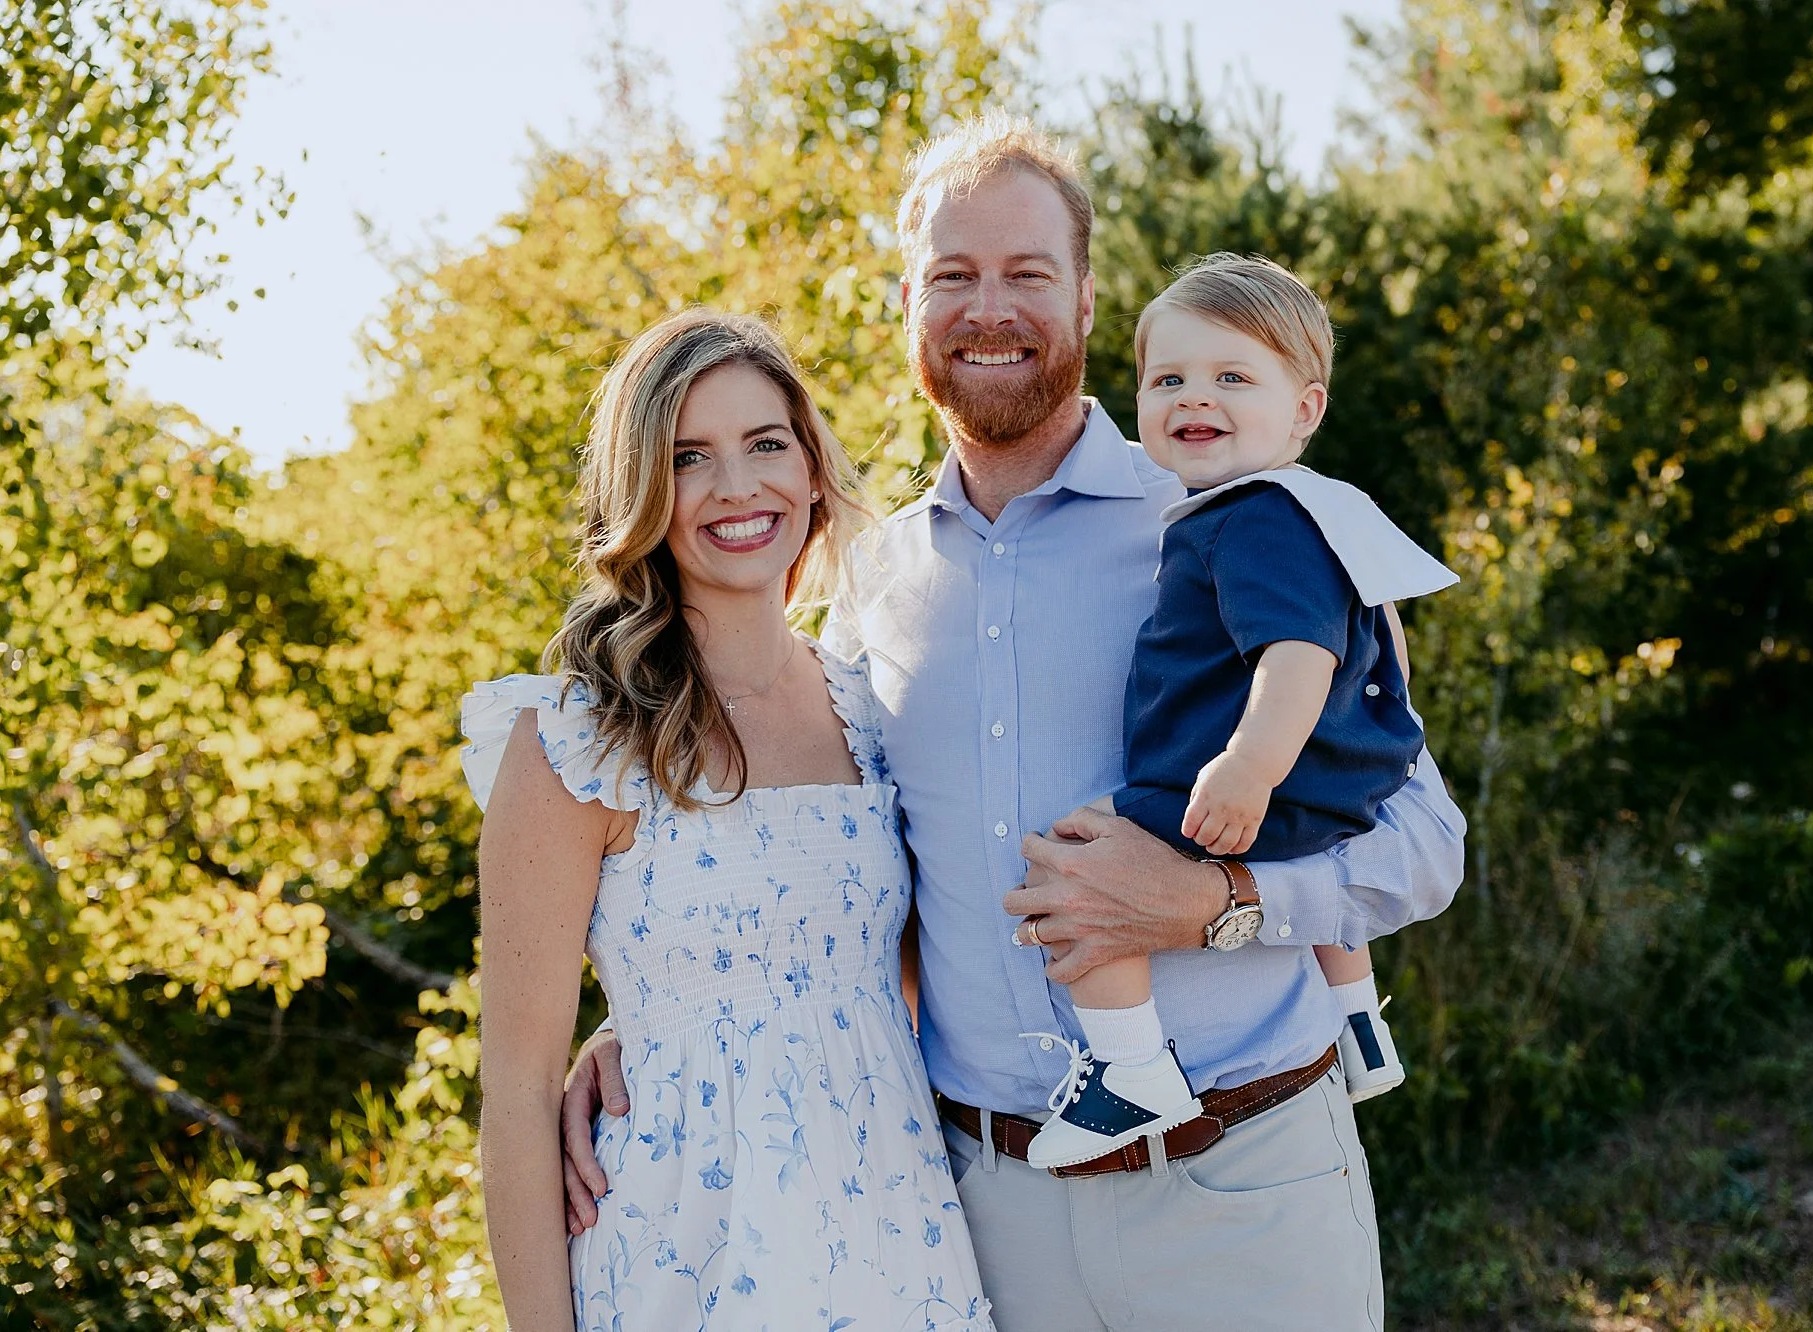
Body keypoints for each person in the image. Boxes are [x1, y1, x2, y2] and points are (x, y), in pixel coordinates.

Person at [563, 114, 1466, 1332]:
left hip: (1240, 1182)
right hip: (979, 1210)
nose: (990, 307)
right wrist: (658, 1020)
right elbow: (835, 865)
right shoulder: (860, 584)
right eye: (954, 277)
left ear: (1088, 300)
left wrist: (1219, 902)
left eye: (1027, 273)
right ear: (906, 307)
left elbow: (1423, 841)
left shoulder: (1233, 517)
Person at [464, 311, 991, 1331]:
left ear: (808, 467)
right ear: (643, 494)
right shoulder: (576, 740)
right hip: (680, 1256)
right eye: (688, 458)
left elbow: (909, 982)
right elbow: (518, 1096)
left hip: (893, 1235)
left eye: (764, 445)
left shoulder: (871, 713)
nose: (737, 488)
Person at [1021, 253, 1458, 1171]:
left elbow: (1300, 650)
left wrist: (1250, 764)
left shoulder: (1253, 516)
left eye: (1231, 377)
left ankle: (1131, 1065)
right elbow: (1382, 640)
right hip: (1339, 773)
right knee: (1312, 852)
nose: (1195, 397)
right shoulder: (1311, 509)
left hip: (1254, 777)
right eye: (1168, 378)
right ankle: (1358, 1023)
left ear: (1305, 410)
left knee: (1076, 857)